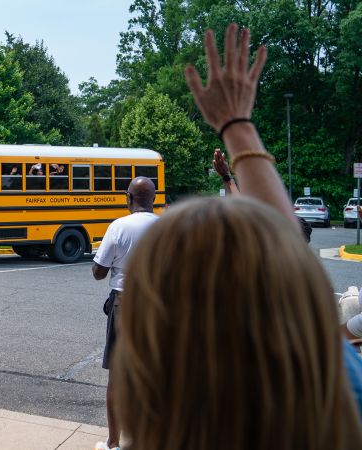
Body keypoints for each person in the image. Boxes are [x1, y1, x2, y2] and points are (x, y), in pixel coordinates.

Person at [110, 24, 362, 450]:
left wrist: (232, 154)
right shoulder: (327, 385)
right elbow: (289, 266)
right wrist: (237, 126)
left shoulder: (172, 413)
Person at [91, 176, 158, 450]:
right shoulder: (166, 226)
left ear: (128, 197)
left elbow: (98, 272)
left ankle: (114, 442)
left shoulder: (119, 227)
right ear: (153, 199)